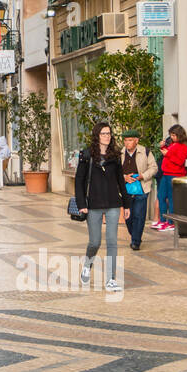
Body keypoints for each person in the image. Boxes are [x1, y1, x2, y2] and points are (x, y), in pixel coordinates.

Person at [74, 122, 131, 291]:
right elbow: (79, 180)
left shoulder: (115, 155)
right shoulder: (87, 155)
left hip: (113, 203)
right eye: (104, 133)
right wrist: (81, 204)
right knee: (95, 242)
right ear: (97, 136)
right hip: (93, 204)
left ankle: (111, 279)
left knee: (112, 241)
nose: (107, 136)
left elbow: (121, 180)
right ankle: (87, 265)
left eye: (109, 133)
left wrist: (126, 204)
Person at [120, 131, 159, 251]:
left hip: (142, 188)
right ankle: (135, 235)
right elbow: (114, 171)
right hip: (125, 189)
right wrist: (125, 177)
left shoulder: (145, 152)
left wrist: (143, 175)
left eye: (130, 140)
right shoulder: (119, 154)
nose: (127, 143)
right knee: (128, 216)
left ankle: (136, 241)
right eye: (125, 140)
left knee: (139, 215)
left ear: (136, 140)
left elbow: (154, 168)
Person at [154, 125, 187, 230]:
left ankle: (171, 222)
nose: (172, 137)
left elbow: (180, 161)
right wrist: (163, 147)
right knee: (161, 197)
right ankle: (162, 220)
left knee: (171, 199)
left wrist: (168, 154)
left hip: (175, 175)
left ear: (179, 135)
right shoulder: (173, 145)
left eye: (174, 135)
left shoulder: (183, 146)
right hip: (166, 174)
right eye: (171, 135)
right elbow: (169, 154)